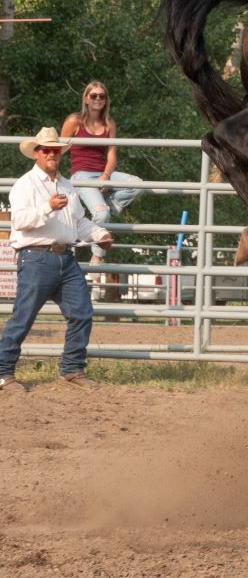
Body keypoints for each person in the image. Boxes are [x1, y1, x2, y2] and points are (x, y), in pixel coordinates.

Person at [0, 127, 113, 393]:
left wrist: (99, 234)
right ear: (36, 154)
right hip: (36, 257)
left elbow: (78, 221)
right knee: (23, 317)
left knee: (82, 312)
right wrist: (48, 207)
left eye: (56, 150)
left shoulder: (66, 185)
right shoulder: (24, 185)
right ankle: (4, 373)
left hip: (65, 256)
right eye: (46, 150)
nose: (52, 154)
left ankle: (73, 368)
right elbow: (19, 221)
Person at [60, 80, 145, 264]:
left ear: (106, 100)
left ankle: (102, 206)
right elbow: (59, 149)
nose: (98, 99)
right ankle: (98, 254)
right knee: (102, 214)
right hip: (81, 175)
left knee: (138, 185)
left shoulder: (108, 123)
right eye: (94, 95)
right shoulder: (74, 121)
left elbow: (112, 154)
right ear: (86, 99)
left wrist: (105, 177)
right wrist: (55, 177)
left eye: (102, 96)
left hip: (103, 172)